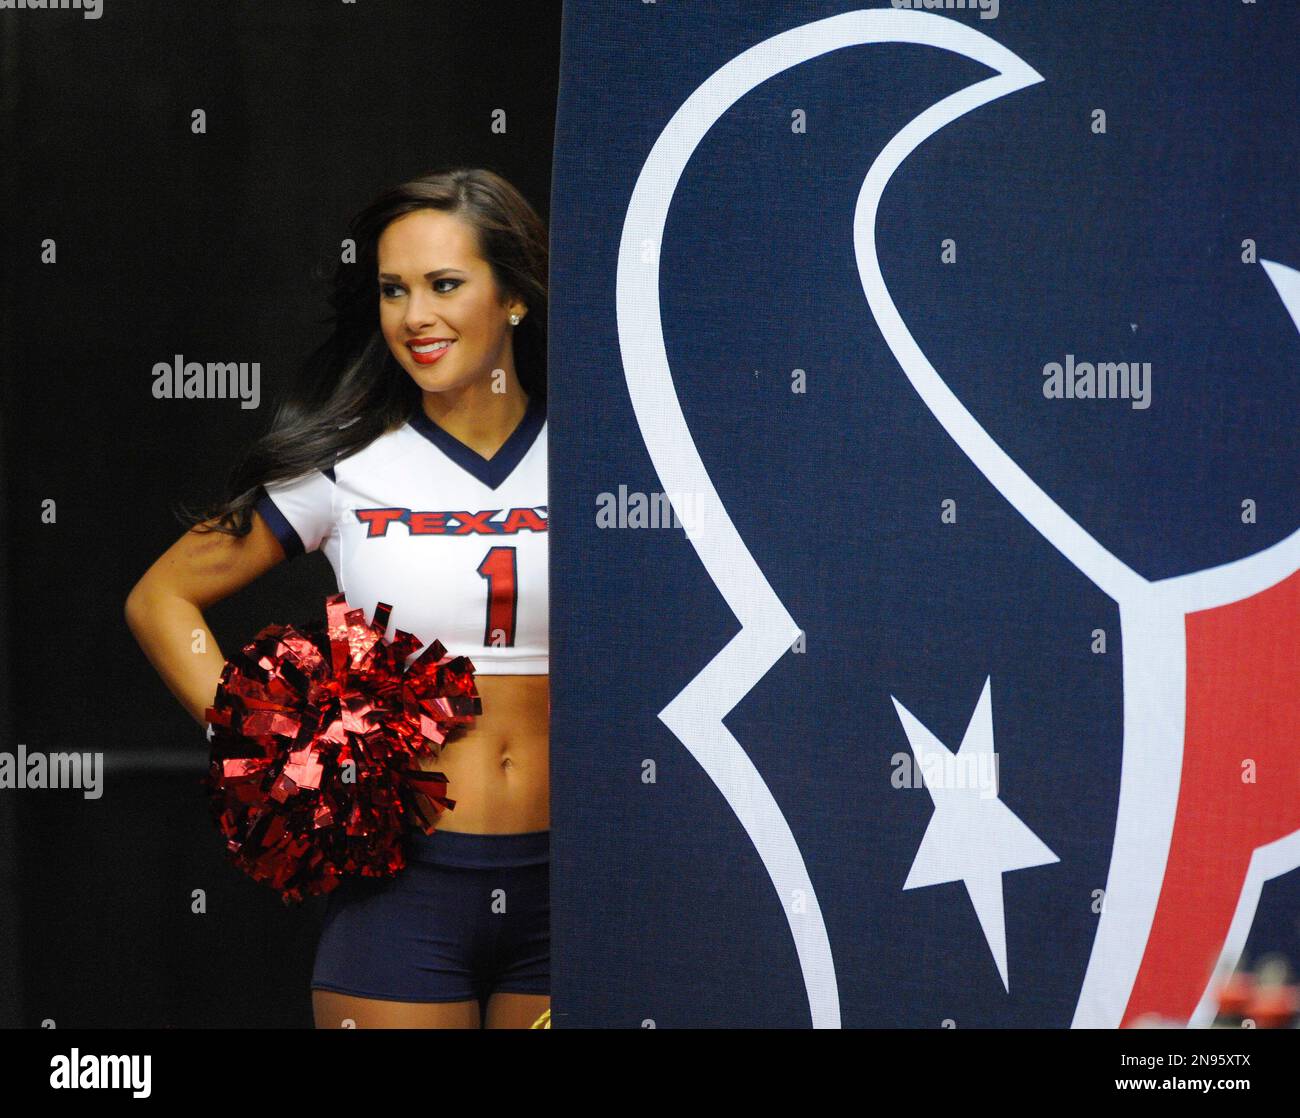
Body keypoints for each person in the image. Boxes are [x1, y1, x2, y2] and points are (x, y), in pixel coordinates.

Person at [125, 167, 551, 1029]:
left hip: (580, 887)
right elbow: (162, 597)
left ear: (513, 297)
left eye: (444, 285)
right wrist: (269, 748)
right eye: (394, 291)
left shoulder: (607, 456)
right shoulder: (348, 464)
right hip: (404, 891)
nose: (414, 317)